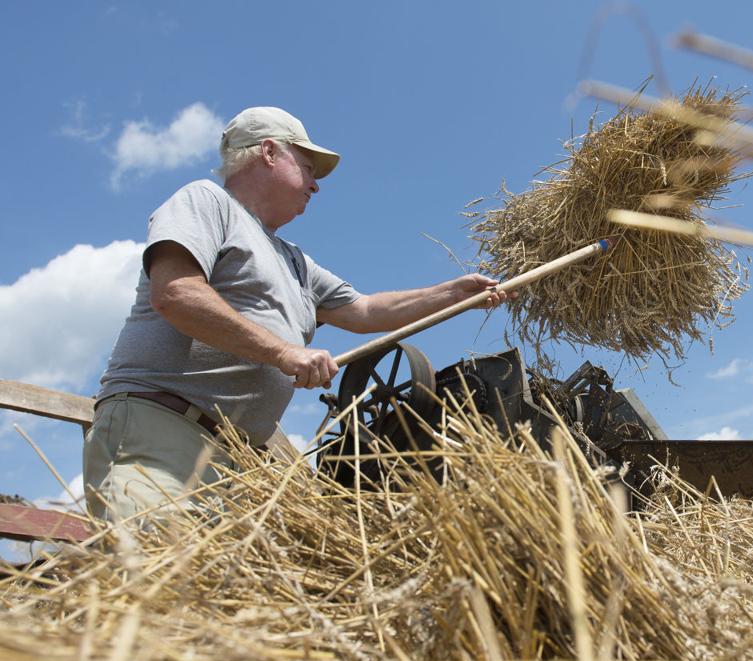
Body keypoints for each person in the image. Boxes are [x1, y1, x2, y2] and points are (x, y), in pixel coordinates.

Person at [83, 106, 506, 521]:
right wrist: (285, 353)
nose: (315, 186)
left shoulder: (295, 262)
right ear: (269, 153)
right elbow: (176, 294)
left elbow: (364, 310)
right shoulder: (206, 201)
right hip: (165, 429)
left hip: (237, 457)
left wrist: (453, 292)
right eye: (307, 167)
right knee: (157, 578)